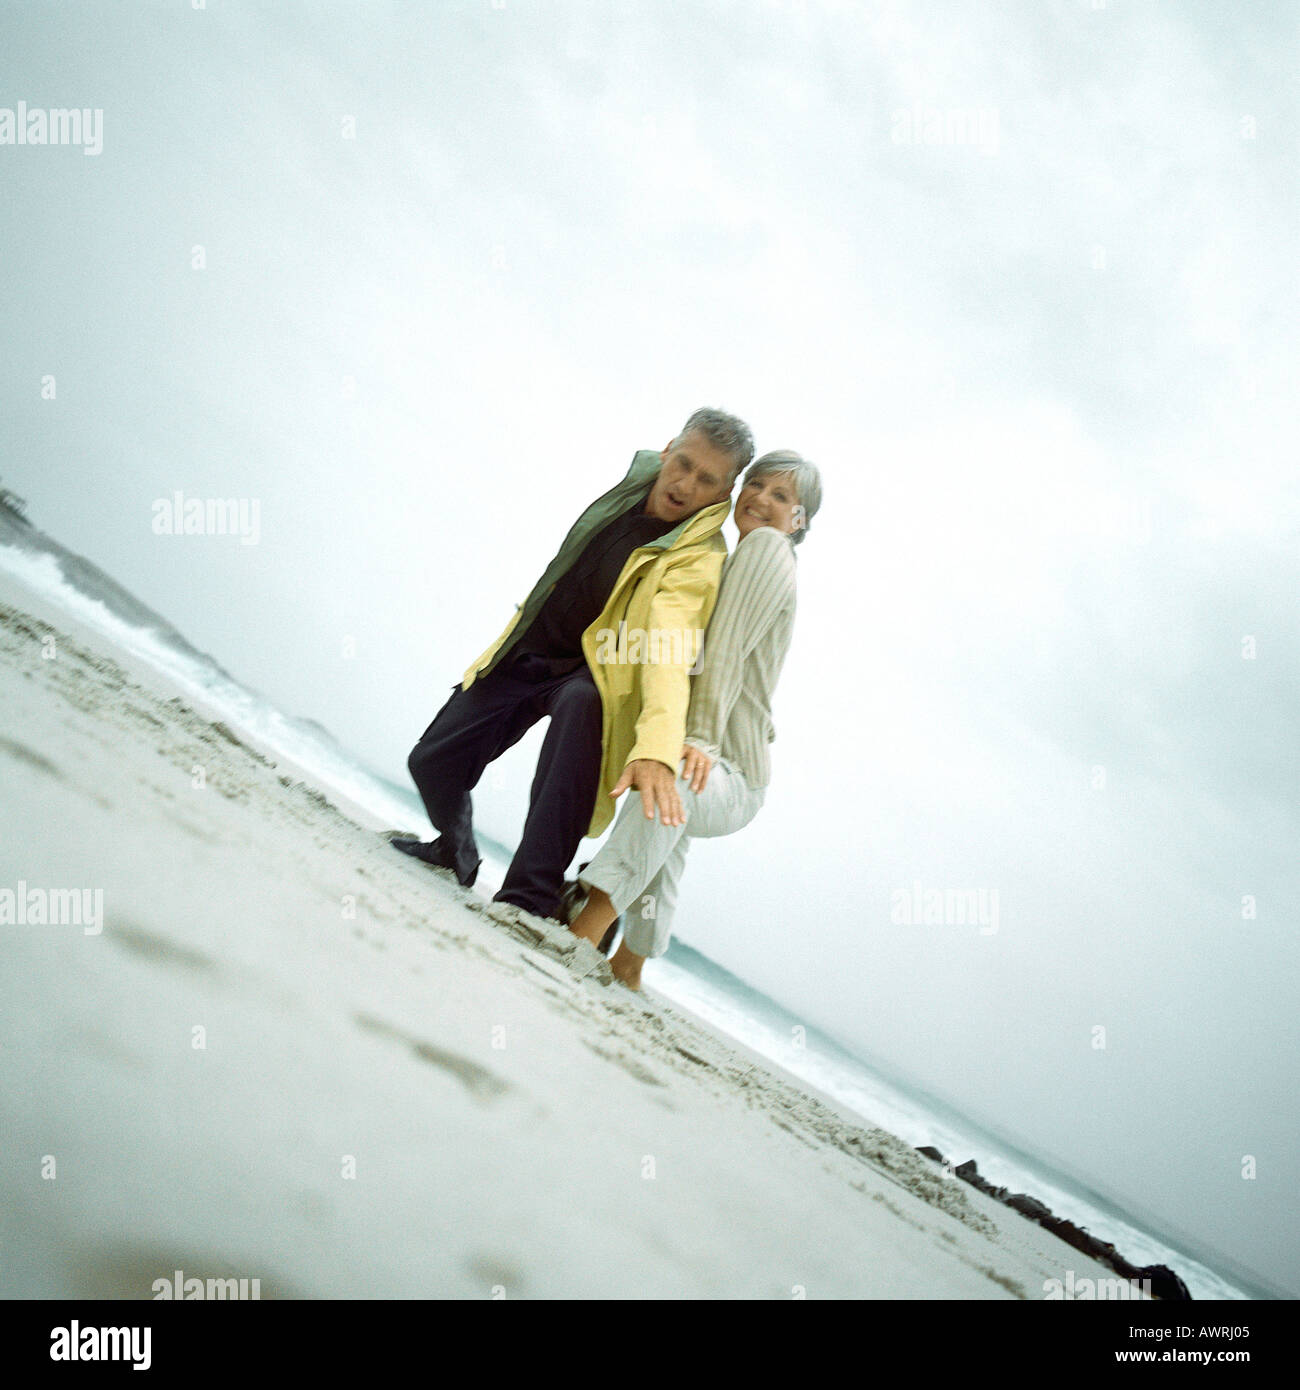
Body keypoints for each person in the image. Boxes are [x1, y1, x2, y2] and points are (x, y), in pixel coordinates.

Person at [396, 408, 755, 923]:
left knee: (583, 704)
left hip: (595, 675)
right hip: (531, 650)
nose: (685, 484)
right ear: (669, 447)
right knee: (432, 761)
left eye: (706, 480)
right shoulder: (628, 491)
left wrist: (655, 747)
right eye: (683, 463)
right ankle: (456, 849)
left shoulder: (698, 559)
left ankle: (529, 898)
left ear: (724, 492)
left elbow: (669, 649)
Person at [566, 450, 822, 990]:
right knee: (668, 828)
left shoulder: (766, 550)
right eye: (756, 484)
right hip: (731, 766)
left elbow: (723, 651)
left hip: (732, 766)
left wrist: (700, 738)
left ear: (799, 521)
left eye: (781, 496)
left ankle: (586, 929)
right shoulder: (745, 556)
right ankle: (630, 965)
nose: (761, 498)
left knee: (672, 782)